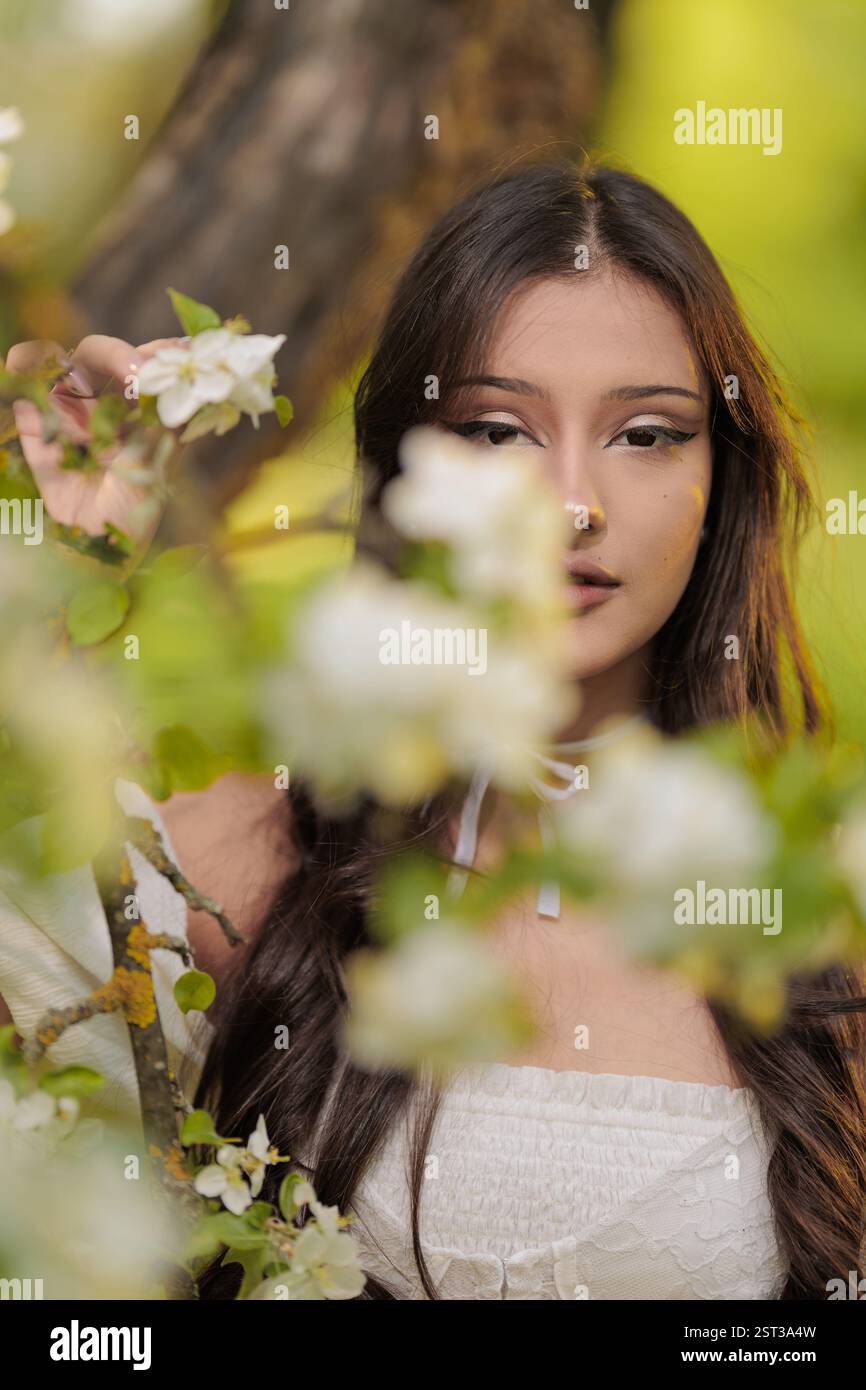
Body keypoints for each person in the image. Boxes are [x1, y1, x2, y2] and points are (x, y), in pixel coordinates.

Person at [2, 162, 864, 1300]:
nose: (572, 503)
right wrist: (63, 578)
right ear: (408, 470)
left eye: (646, 434)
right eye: (500, 431)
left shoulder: (825, 898)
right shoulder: (246, 863)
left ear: (724, 475)